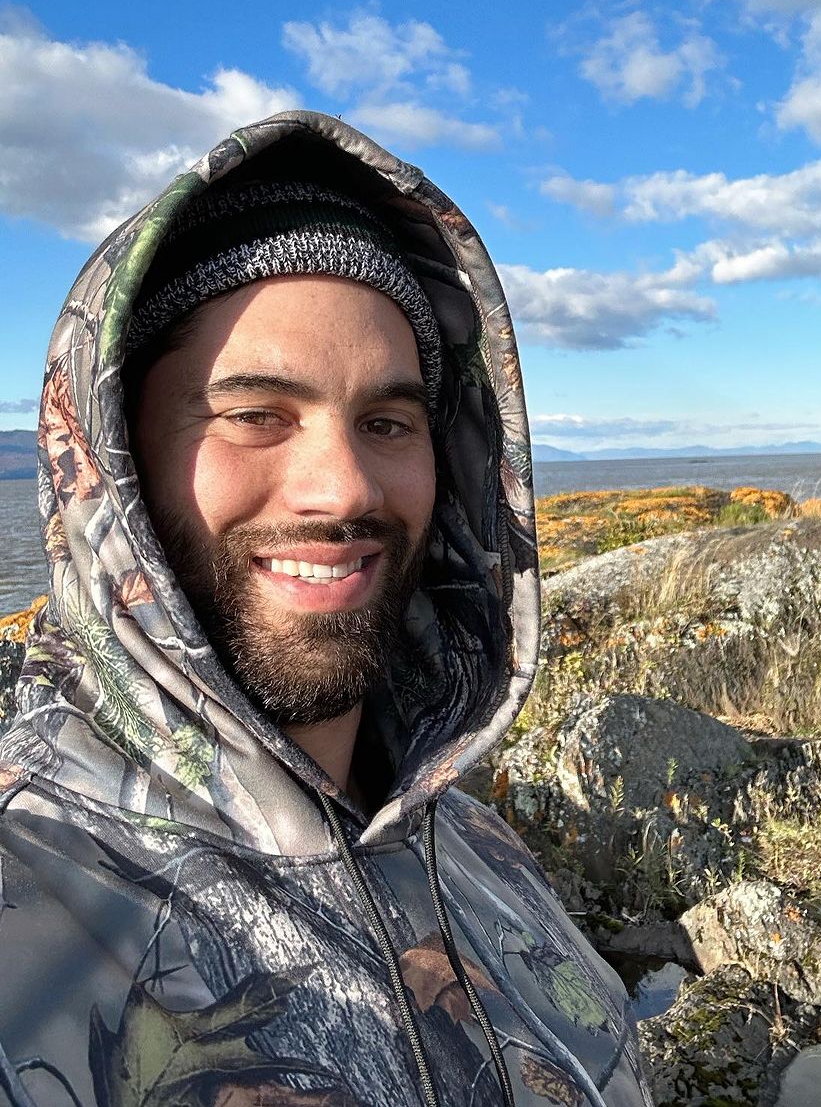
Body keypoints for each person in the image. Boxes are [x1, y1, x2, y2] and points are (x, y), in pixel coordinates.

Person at [0, 111, 652, 1107]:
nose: (342, 488)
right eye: (257, 416)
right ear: (111, 458)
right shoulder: (27, 911)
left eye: (387, 421)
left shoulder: (475, 852)